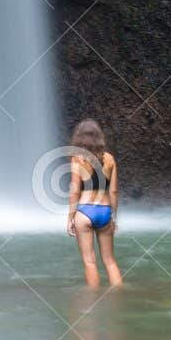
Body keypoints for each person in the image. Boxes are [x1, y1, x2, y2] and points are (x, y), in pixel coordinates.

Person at [66, 118, 123, 289]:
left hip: (84, 212)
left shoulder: (77, 159)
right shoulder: (110, 159)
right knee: (110, 261)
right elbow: (113, 192)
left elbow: (75, 190)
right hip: (105, 211)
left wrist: (70, 218)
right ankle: (120, 298)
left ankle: (93, 300)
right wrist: (113, 217)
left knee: (90, 262)